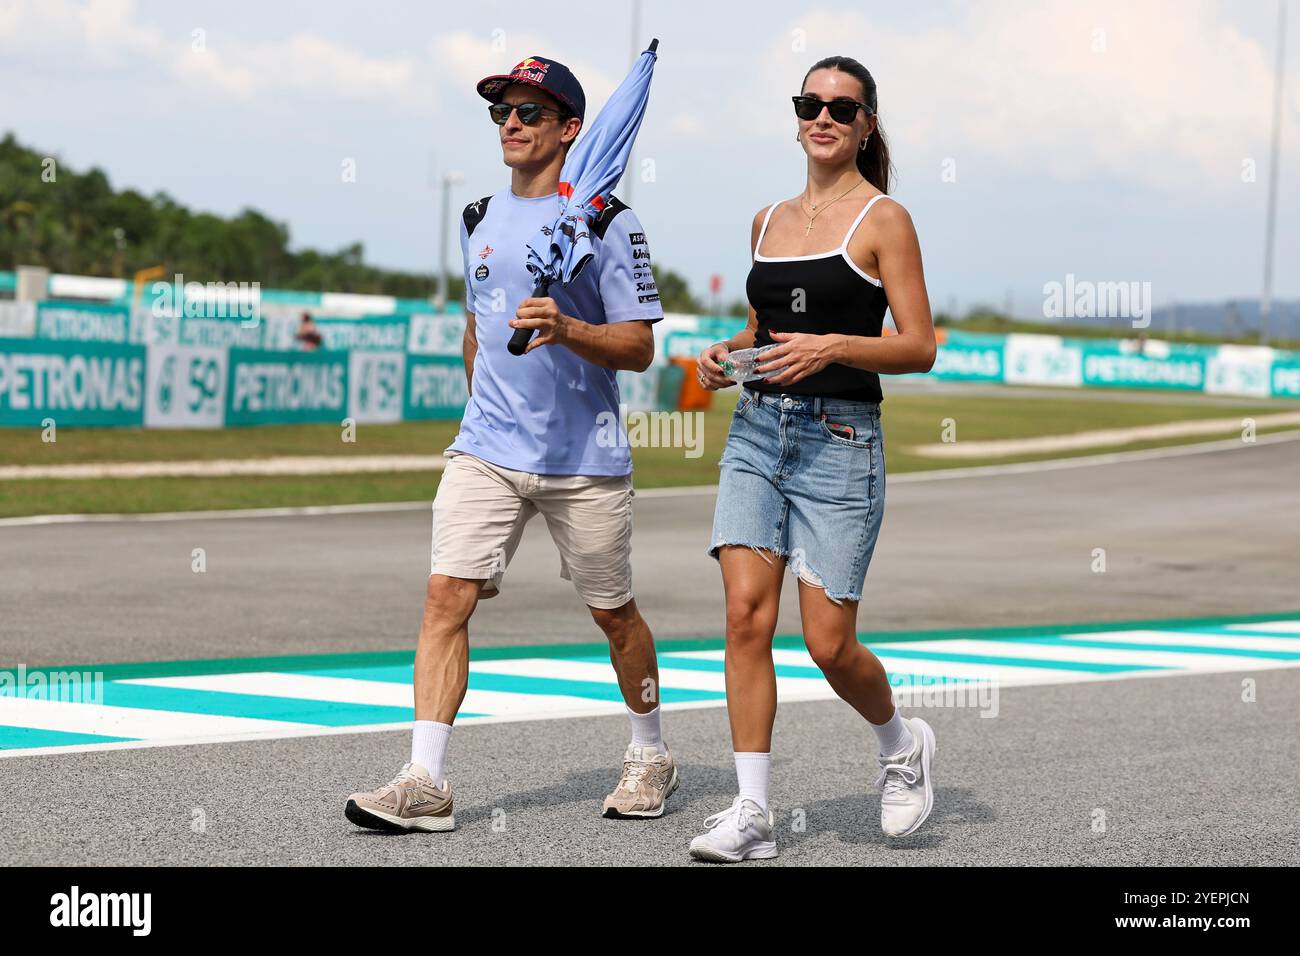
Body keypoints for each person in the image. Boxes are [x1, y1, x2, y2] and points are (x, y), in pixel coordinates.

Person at [345, 55, 676, 833]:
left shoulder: (607, 220)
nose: (513, 125)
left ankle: (651, 752)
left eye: (530, 113)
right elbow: (476, 333)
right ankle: (426, 781)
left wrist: (568, 328)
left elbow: (637, 348)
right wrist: (482, 414)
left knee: (613, 614)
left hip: (583, 458)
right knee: (444, 598)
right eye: (503, 114)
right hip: (487, 450)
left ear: (569, 129)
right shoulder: (477, 219)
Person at [690, 56, 938, 862]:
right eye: (810, 103)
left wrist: (838, 345)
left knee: (828, 645)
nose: (822, 117)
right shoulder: (765, 218)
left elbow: (919, 346)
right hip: (759, 432)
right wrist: (725, 355)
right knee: (743, 617)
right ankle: (753, 812)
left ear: (868, 124)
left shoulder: (884, 219)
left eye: (842, 107)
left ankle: (902, 747)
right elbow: (766, 336)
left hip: (841, 442)